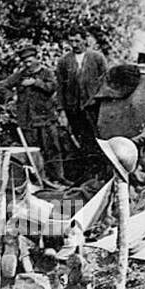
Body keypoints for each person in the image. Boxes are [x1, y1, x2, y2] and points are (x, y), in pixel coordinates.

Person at [0, 45, 66, 185]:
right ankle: (35, 180)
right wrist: (11, 98)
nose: (27, 65)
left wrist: (35, 82)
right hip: (28, 120)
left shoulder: (47, 73)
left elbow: (52, 88)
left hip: (46, 118)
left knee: (52, 149)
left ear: (37, 59)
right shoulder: (20, 74)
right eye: (25, 62)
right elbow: (2, 86)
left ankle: (58, 178)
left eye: (30, 61)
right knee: (31, 151)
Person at [55, 31, 109, 183]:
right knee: (80, 142)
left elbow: (106, 81)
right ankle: (85, 175)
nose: (74, 44)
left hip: (94, 108)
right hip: (74, 110)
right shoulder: (64, 61)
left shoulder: (97, 58)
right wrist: (62, 111)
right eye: (71, 41)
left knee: (97, 140)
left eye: (77, 41)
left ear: (85, 41)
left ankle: (101, 173)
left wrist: (100, 101)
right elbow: (60, 88)